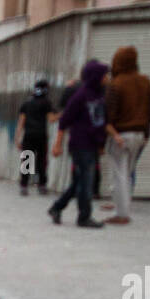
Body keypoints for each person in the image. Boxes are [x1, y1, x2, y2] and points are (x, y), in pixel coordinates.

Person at [49, 59, 109, 228]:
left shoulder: (99, 95)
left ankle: (56, 207)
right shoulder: (80, 96)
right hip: (80, 145)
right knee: (86, 183)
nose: (107, 78)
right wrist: (57, 144)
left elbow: (99, 121)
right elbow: (64, 121)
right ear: (96, 76)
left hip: (92, 144)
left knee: (79, 182)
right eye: (104, 75)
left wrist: (101, 144)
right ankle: (84, 217)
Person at [104, 46, 150, 224]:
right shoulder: (146, 82)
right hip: (140, 135)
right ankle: (125, 206)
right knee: (129, 172)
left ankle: (121, 213)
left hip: (120, 135)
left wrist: (109, 135)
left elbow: (109, 115)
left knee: (119, 174)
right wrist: (146, 134)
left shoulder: (115, 84)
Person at [59, 66, 101, 200]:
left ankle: (26, 182)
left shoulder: (27, 104)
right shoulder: (88, 94)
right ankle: (37, 182)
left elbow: (61, 114)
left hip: (30, 134)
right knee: (85, 174)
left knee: (30, 154)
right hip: (81, 140)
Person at [15, 79, 53, 195]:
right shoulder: (46, 103)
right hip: (41, 135)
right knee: (41, 160)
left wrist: (17, 138)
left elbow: (21, 122)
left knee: (27, 159)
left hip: (28, 135)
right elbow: (51, 119)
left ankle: (24, 185)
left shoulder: (26, 103)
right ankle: (42, 185)